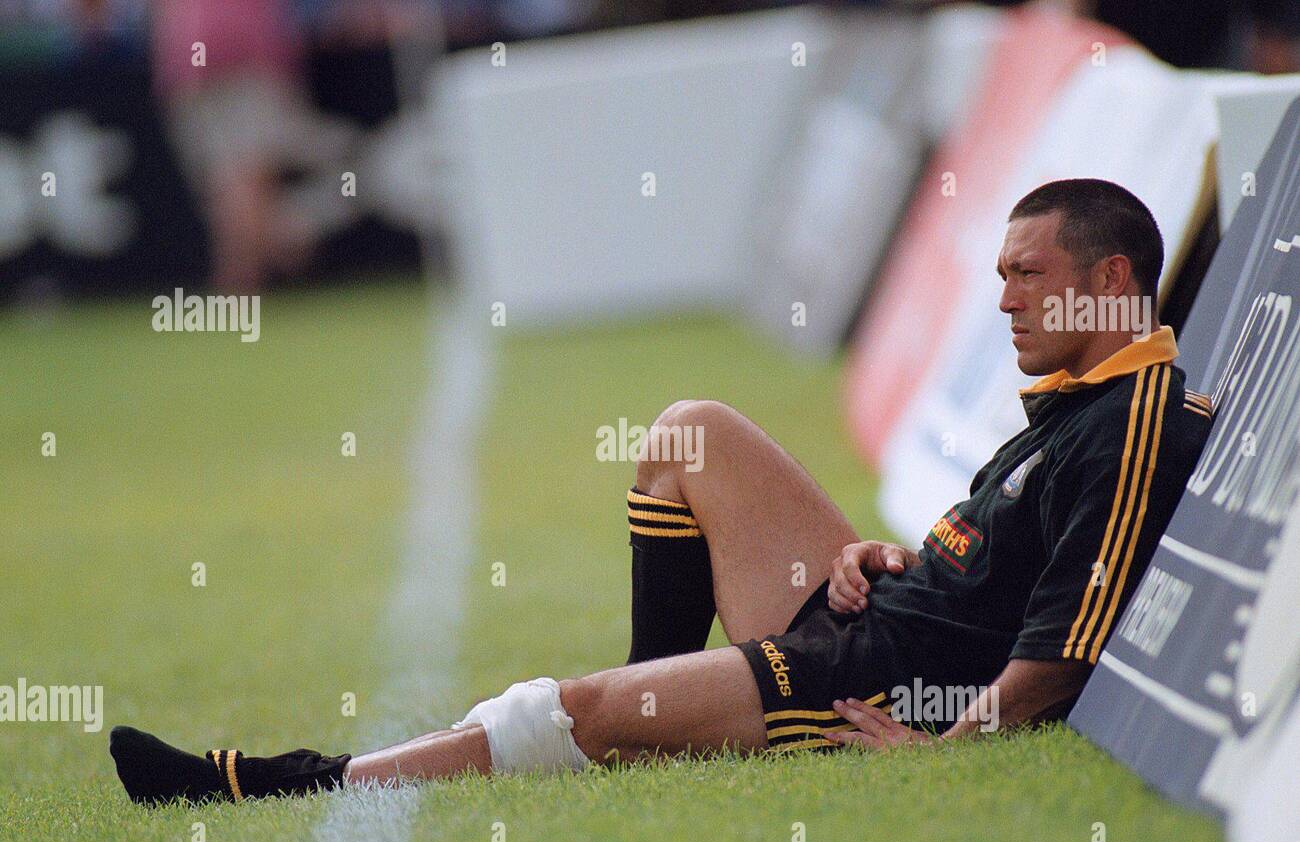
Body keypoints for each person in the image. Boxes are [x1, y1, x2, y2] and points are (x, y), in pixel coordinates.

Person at [109, 178, 1214, 804]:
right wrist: (881, 557)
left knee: (562, 712)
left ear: (1111, 281)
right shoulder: (1083, 396)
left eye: (1027, 274)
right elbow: (997, 562)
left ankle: (277, 783)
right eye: (998, 275)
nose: (1004, 301)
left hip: (873, 677)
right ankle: (664, 694)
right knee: (690, 431)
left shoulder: (1135, 417)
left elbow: (1060, 647)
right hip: (876, 612)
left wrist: (951, 744)